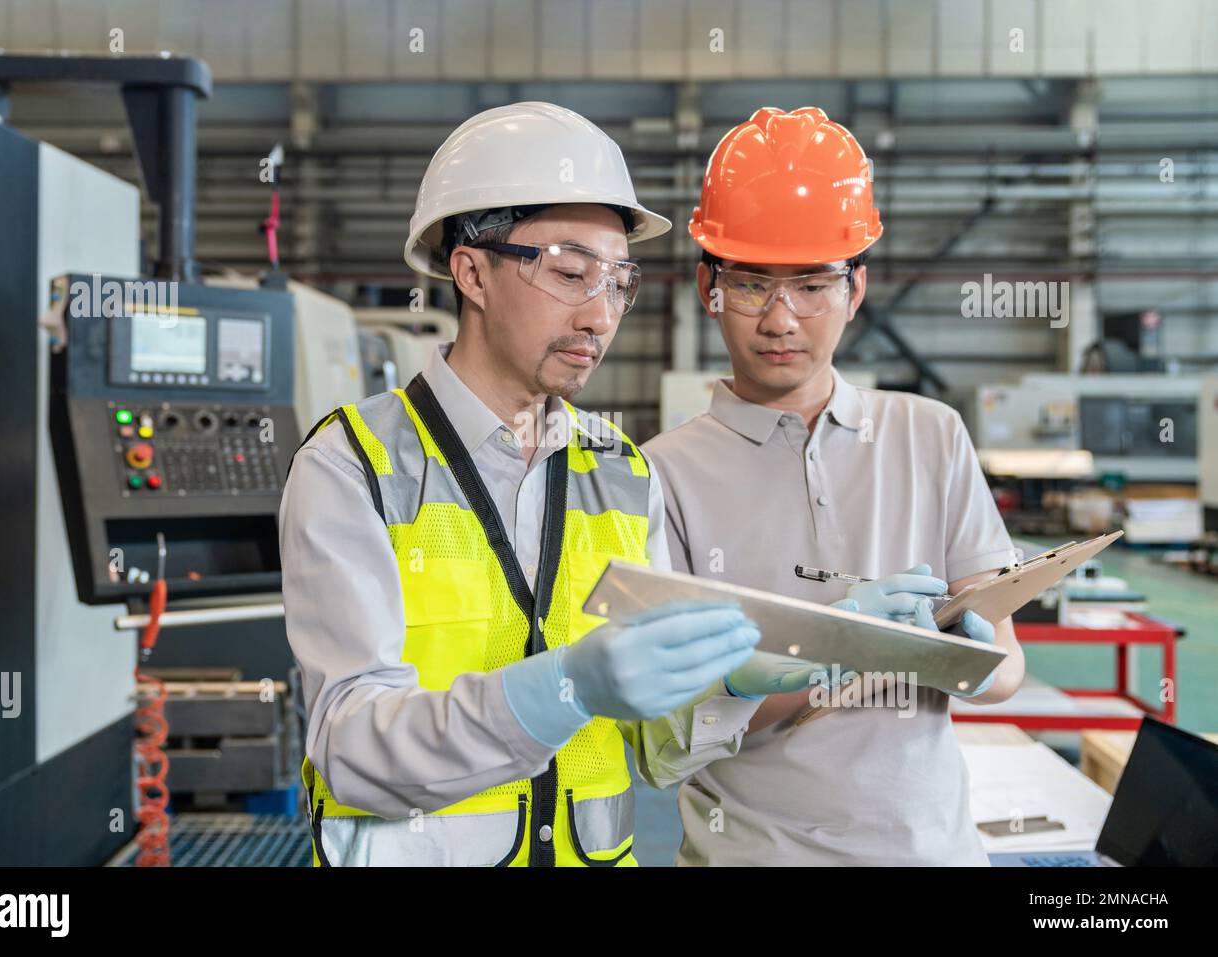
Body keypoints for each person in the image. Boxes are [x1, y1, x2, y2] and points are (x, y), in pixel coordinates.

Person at [278, 101, 775, 867]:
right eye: (571, 273)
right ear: (472, 271)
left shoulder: (620, 470)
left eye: (619, 283)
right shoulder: (354, 466)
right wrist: (564, 688)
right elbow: (352, 750)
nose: (601, 315)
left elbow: (657, 749)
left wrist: (745, 680)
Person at [642, 107, 1026, 866]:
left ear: (856, 289)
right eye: (751, 285)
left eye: (813, 285)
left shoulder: (930, 435)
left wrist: (965, 660)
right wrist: (828, 651)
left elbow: (1007, 667)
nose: (781, 320)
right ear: (708, 287)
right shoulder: (662, 473)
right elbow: (676, 732)